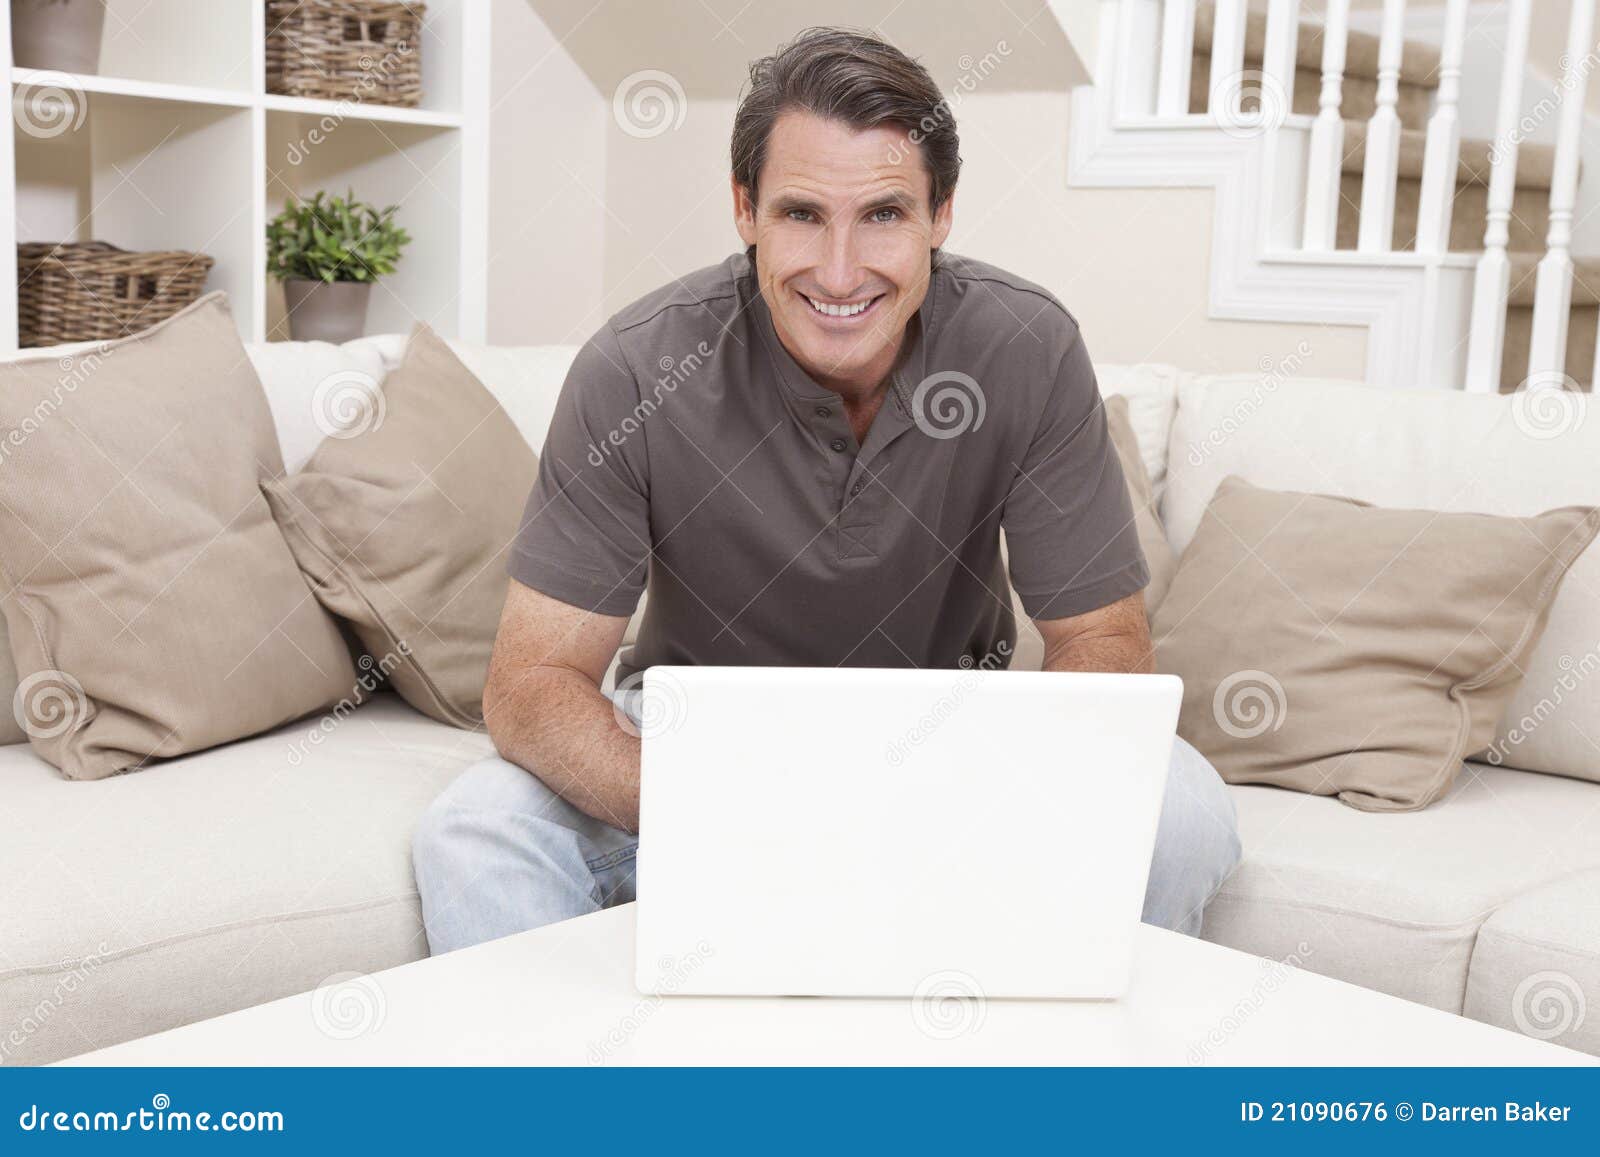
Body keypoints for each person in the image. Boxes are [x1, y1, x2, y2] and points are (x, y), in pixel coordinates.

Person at [412, 27, 1240, 954]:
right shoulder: (635, 367)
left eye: (883, 214)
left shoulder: (1027, 348)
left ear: (942, 214)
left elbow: (1103, 642)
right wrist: (721, 808)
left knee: (1186, 813)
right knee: (474, 832)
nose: (840, 271)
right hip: (697, 749)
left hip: (950, 737)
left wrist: (997, 789)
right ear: (744, 209)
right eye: (803, 214)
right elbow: (531, 684)